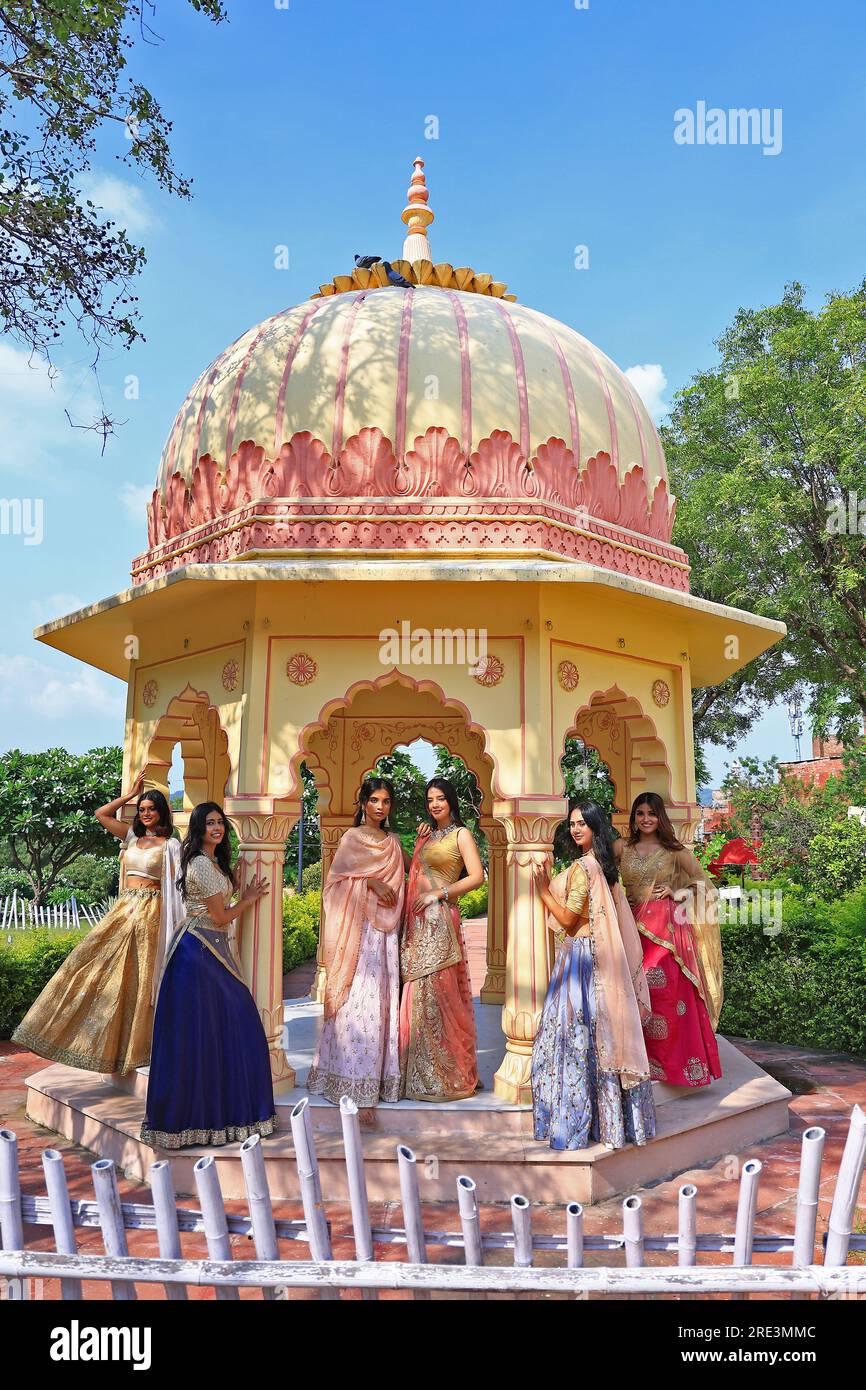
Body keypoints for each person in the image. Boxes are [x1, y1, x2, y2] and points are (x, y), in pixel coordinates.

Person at [13, 774, 183, 1074]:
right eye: (141, 809)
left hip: (152, 913)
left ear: (161, 812)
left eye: (150, 809)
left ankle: (139, 1049)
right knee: (91, 963)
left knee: (141, 980)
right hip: (124, 909)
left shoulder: (170, 843)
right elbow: (100, 814)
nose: (145, 813)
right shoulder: (131, 836)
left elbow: (177, 884)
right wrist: (129, 795)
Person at [140, 802, 275, 1149]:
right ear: (198, 829)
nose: (217, 828)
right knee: (212, 1032)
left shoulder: (214, 862)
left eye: (220, 823)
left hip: (207, 951)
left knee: (218, 1032)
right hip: (196, 953)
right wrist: (248, 899)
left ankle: (221, 1117)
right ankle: (196, 1121)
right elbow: (220, 917)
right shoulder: (199, 863)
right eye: (209, 823)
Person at [531, 801, 656, 1151]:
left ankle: (575, 1125)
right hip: (591, 957)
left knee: (573, 1040)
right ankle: (611, 1125)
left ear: (596, 828)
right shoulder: (603, 865)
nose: (575, 829)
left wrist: (542, 891)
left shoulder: (586, 868)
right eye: (572, 824)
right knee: (594, 1039)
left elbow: (569, 920)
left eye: (582, 824)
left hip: (582, 960)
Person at [307, 777, 408, 1125]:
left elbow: (403, 886)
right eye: (375, 800)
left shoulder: (392, 843)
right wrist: (368, 882)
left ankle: (377, 1080)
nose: (381, 807)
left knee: (380, 1002)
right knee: (355, 998)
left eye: (386, 801)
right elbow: (334, 885)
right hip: (357, 933)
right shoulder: (352, 839)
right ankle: (346, 1077)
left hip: (384, 938)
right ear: (363, 802)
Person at [615, 793, 722, 1087]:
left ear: (660, 817)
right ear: (634, 817)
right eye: (640, 813)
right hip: (630, 929)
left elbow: (706, 887)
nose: (646, 819)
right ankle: (641, 1062)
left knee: (666, 997)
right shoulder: (621, 847)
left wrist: (677, 894)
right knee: (634, 995)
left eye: (651, 813)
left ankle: (673, 1067)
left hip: (666, 934)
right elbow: (597, 870)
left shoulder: (675, 850)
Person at [399, 778, 484, 1102]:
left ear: (451, 801)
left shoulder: (461, 834)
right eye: (430, 799)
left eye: (440, 799)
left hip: (440, 921)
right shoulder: (429, 835)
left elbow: (476, 876)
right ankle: (418, 1075)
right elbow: (413, 874)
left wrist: (440, 892)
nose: (435, 804)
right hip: (418, 924)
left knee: (441, 996)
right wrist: (412, 847)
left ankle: (447, 1074)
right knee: (417, 995)